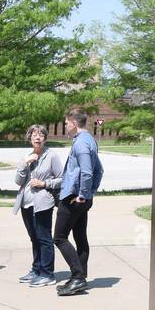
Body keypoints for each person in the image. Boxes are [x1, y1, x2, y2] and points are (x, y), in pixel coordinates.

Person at [53, 107, 104, 297]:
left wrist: (83, 195)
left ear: (74, 123)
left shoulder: (81, 144)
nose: (65, 126)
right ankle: (79, 278)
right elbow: (100, 170)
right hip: (82, 197)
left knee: (59, 237)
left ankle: (78, 277)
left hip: (74, 198)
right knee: (80, 237)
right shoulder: (89, 140)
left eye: (66, 123)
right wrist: (90, 193)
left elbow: (88, 172)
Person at [13, 124, 62, 286]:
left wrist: (44, 183)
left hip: (43, 203)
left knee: (44, 238)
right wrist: (24, 163)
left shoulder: (52, 156)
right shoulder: (27, 156)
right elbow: (18, 181)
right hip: (26, 204)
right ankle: (36, 269)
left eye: (41, 134)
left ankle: (47, 274)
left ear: (45, 138)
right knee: (34, 238)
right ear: (30, 138)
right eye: (34, 134)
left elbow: (62, 179)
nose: (37, 137)